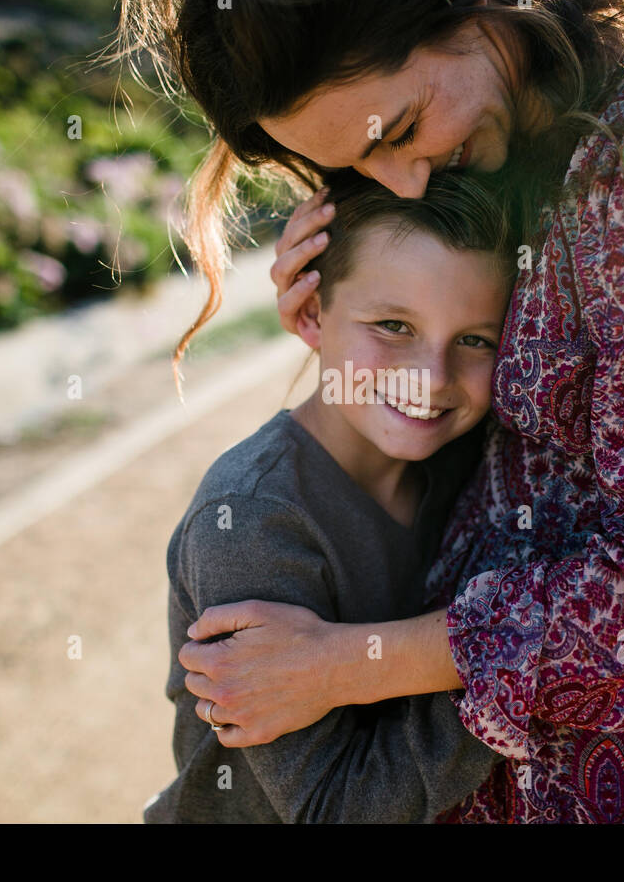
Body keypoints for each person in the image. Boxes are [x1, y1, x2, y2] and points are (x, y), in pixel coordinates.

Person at [120, 0, 624, 822]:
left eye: (396, 130)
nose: (405, 182)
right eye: (357, 167)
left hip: (617, 780)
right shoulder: (484, 137)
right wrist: (352, 317)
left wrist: (346, 663)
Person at [144, 170, 515, 822]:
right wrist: (514, 670)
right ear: (311, 313)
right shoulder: (252, 519)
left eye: (476, 339)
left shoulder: (464, 458)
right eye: (393, 325)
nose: (431, 378)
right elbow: (333, 808)